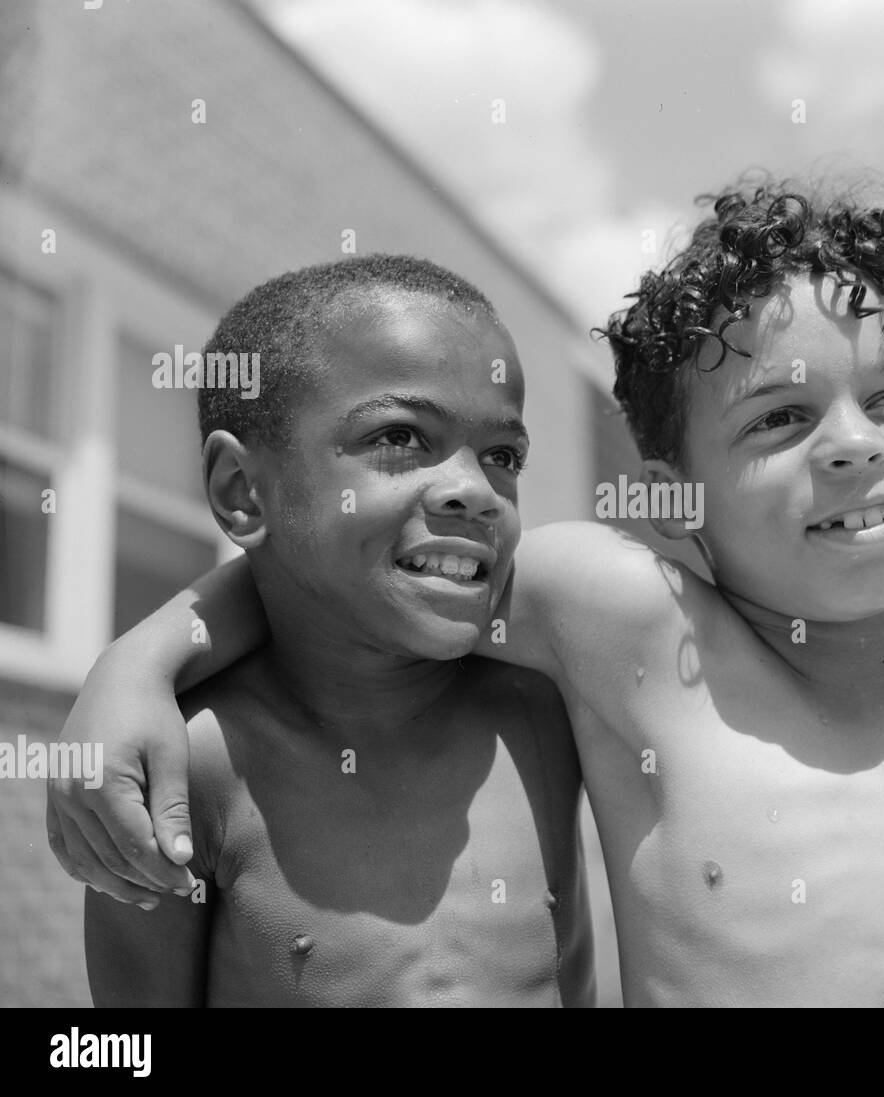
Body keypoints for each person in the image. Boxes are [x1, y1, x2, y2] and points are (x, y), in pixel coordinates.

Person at [53, 181, 884, 1005]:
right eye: (780, 418)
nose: (852, 444)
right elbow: (338, 572)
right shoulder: (613, 623)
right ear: (671, 496)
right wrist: (135, 663)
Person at [81, 257, 594, 1005]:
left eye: (502, 456)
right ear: (240, 491)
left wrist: (135, 659)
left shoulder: (554, 699)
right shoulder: (191, 771)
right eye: (400, 436)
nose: (475, 491)